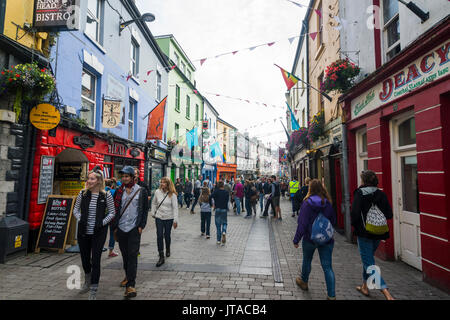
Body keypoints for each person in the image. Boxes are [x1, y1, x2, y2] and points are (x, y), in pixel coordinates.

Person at [351, 170, 394, 300]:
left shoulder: (360, 193)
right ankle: (365, 286)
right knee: (368, 260)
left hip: (364, 234)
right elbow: (389, 214)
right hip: (378, 232)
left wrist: (356, 227)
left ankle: (386, 292)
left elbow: (355, 214)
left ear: (363, 181)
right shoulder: (381, 194)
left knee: (369, 263)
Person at [73, 170, 116, 300]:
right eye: (88, 178)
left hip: (98, 232)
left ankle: (94, 288)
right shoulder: (82, 193)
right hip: (84, 231)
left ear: (98, 181)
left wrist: (102, 223)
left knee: (96, 260)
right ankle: (87, 280)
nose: (89, 181)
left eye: (92, 179)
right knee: (85, 259)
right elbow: (75, 209)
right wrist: (80, 218)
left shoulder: (106, 195)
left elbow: (112, 212)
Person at [293, 179, 337, 300]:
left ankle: (304, 282)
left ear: (310, 189)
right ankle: (331, 295)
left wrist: (296, 239)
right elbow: (333, 220)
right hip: (326, 239)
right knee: (327, 267)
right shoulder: (327, 202)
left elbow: (302, 223)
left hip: (310, 238)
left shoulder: (307, 203)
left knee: (307, 260)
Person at [113, 166, 149, 298]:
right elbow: (115, 209)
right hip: (121, 228)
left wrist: (141, 225)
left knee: (133, 256)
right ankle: (128, 276)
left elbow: (145, 209)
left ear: (133, 177)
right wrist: (114, 227)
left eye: (127, 176)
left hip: (134, 228)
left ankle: (131, 285)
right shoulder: (118, 191)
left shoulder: (141, 191)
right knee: (125, 256)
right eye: (123, 177)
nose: (124, 179)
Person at [151, 177, 179, 267]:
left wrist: (175, 220)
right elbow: (154, 203)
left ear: (168, 184)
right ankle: (161, 255)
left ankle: (167, 248)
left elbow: (175, 208)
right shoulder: (157, 192)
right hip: (159, 217)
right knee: (159, 235)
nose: (162, 184)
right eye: (161, 182)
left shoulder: (172, 194)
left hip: (169, 217)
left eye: (164, 183)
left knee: (167, 235)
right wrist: (153, 212)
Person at [211, 181, 230, 245]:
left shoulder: (216, 191)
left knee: (218, 225)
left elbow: (210, 197)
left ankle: (218, 240)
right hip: (224, 209)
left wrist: (212, 204)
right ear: (223, 186)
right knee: (224, 223)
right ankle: (224, 231)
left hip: (217, 209)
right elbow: (227, 201)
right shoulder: (226, 192)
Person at [105, 179, 119, 258]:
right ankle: (110, 251)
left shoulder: (102, 191)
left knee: (101, 234)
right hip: (112, 215)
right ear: (112, 185)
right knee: (112, 234)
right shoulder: (113, 191)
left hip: (103, 215)